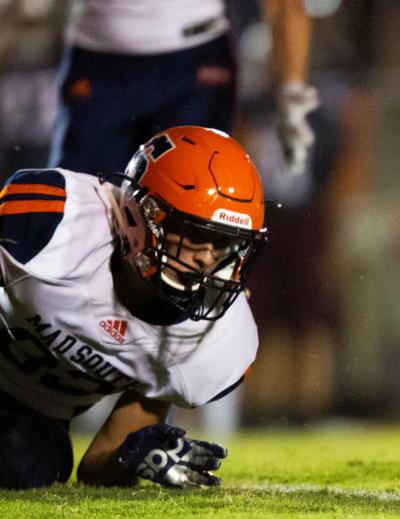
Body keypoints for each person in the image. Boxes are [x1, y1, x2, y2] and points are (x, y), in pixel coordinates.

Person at [0, 125, 267, 489]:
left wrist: (134, 454)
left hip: (32, 414)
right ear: (139, 215)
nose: (207, 259)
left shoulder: (215, 342)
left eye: (224, 244)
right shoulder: (54, 224)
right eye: (194, 233)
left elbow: (97, 470)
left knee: (31, 465)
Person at [50, 0, 318, 176]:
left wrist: (291, 90)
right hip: (98, 59)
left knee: (189, 211)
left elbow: (285, 4)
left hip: (192, 66)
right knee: (80, 207)